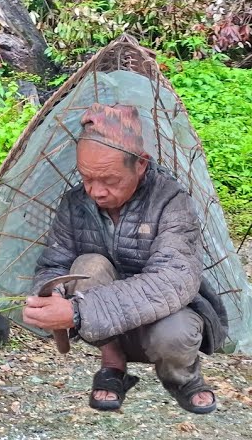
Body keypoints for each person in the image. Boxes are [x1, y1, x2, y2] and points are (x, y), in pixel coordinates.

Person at [23, 104, 227, 414]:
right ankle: (113, 362)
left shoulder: (171, 201)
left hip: (163, 313)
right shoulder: (74, 203)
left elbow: (173, 279)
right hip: (105, 323)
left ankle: (182, 378)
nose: (96, 191)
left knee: (175, 336)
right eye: (86, 178)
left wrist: (78, 313)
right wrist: (48, 295)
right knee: (88, 267)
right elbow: (55, 262)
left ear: (141, 164)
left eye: (110, 180)